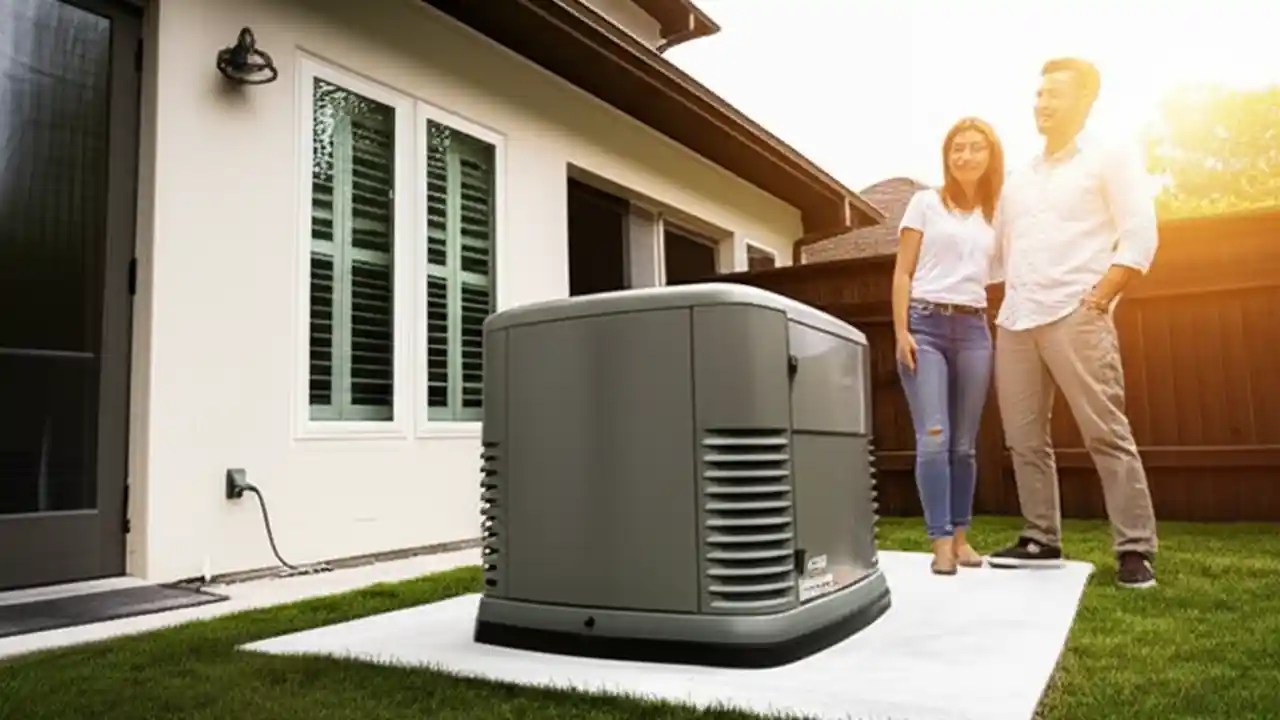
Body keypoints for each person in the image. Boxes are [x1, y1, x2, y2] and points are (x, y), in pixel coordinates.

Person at [985, 57, 1160, 589]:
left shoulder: (1109, 157)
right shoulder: (1018, 180)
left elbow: (1140, 234)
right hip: (1016, 319)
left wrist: (1100, 297)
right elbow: (995, 254)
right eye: (1039, 94)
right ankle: (1041, 538)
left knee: (1106, 432)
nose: (1041, 103)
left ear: (1085, 100)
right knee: (1023, 439)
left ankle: (1135, 548)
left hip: (1075, 314)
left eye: (1054, 94)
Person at [892, 117, 1005, 575]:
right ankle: (939, 540)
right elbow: (903, 272)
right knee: (934, 437)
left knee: (964, 445)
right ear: (947, 156)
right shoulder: (924, 203)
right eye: (957, 148)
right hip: (926, 326)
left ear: (990, 156)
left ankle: (961, 538)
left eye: (976, 147)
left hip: (974, 328)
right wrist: (901, 331)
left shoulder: (996, 215)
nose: (965, 155)